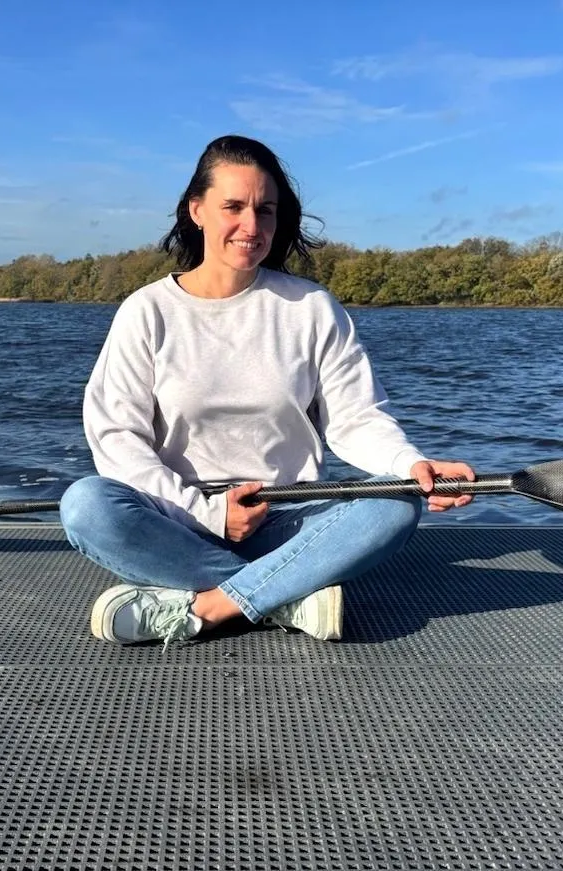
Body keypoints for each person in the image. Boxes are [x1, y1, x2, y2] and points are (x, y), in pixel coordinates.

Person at [59, 134, 474, 647]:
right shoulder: (147, 312)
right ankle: (288, 592)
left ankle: (211, 606)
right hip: (179, 519)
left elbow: (355, 418)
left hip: (291, 517)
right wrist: (209, 513)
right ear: (197, 210)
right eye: (233, 206)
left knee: (396, 502)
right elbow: (117, 438)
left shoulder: (312, 307)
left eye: (266, 210)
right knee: (85, 505)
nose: (252, 227)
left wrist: (413, 465)